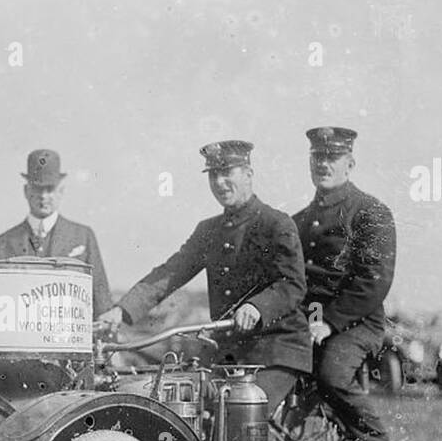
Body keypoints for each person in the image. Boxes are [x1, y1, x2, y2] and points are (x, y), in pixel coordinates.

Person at [97, 140, 311, 413]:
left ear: (248, 174)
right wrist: (122, 310)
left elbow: (292, 284)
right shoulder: (209, 230)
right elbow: (171, 272)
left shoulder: (276, 223)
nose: (220, 182)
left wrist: (257, 306)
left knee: (242, 414)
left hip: (277, 348)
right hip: (230, 349)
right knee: (188, 407)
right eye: (213, 175)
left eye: (227, 173)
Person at [292, 126, 400, 441]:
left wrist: (331, 322)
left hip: (358, 320)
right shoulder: (300, 220)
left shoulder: (371, 212)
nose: (323, 164)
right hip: (309, 321)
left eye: (332, 157)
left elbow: (375, 280)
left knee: (331, 374)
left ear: (349, 163)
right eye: (317, 157)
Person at [0, 148, 112, 318]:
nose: (43, 196)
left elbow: (101, 301)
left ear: (61, 191)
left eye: (50, 189)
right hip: (20, 339)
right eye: (37, 188)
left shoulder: (82, 236)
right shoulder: (3, 243)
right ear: (26, 191)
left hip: (69, 339)